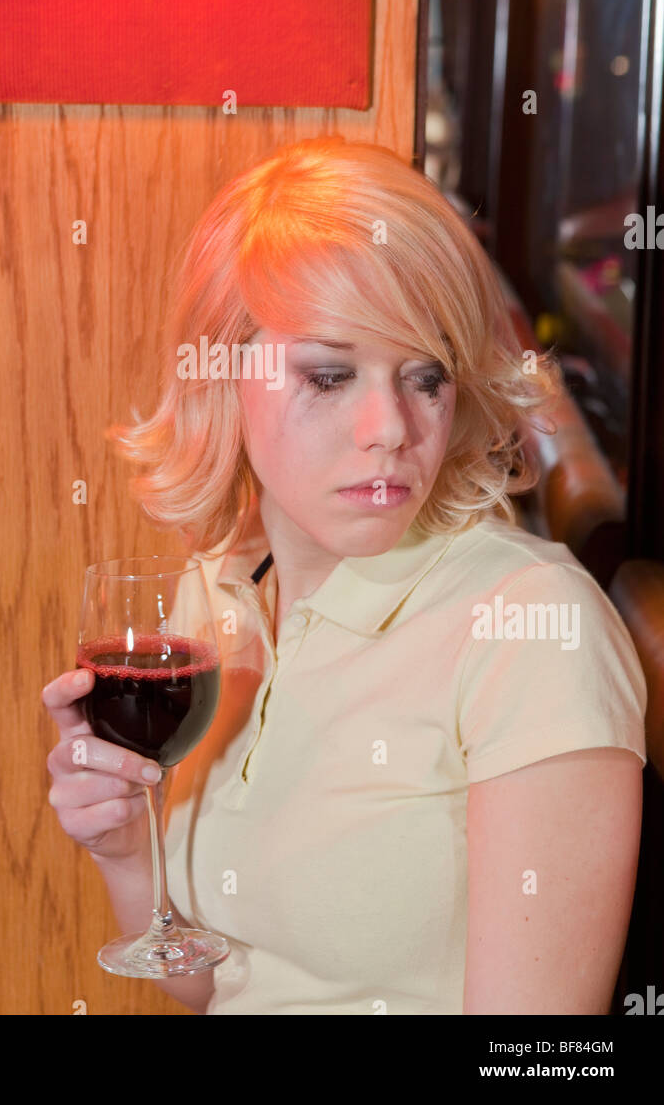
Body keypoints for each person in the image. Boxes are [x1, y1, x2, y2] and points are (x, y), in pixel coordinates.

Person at [43, 137, 646, 1015]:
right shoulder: (213, 593)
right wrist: (128, 850)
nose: (390, 428)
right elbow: (209, 986)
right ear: (222, 376)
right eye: (330, 374)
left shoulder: (531, 629)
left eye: (424, 376)